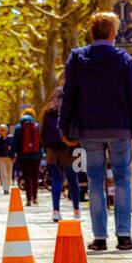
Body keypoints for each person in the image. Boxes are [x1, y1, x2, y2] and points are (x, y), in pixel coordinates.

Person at [61, 10, 132, 251]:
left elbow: (69, 96)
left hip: (89, 130)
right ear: (112, 33)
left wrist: (64, 127)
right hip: (119, 128)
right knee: (122, 179)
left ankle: (99, 238)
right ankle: (124, 236)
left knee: (95, 181)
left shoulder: (77, 59)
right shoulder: (122, 59)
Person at [42, 87, 81, 222]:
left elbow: (43, 133)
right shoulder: (71, 109)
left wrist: (45, 148)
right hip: (71, 147)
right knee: (72, 179)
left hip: (52, 150)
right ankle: (76, 210)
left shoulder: (48, 112)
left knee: (56, 180)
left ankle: (56, 211)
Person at [12, 110, 43, 206]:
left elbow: (15, 143)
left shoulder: (18, 127)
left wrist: (13, 154)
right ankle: (35, 198)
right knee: (35, 177)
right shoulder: (38, 126)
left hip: (23, 156)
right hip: (36, 156)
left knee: (27, 177)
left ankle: (29, 199)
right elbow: (41, 141)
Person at [0, 124, 14, 196]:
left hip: (10, 158)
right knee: (3, 173)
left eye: (3, 130)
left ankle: (8, 186)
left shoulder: (11, 138)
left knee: (9, 173)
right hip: (1, 158)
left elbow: (13, 148)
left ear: (6, 130)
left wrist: (14, 156)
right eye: (1, 130)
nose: (2, 132)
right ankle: (5, 189)